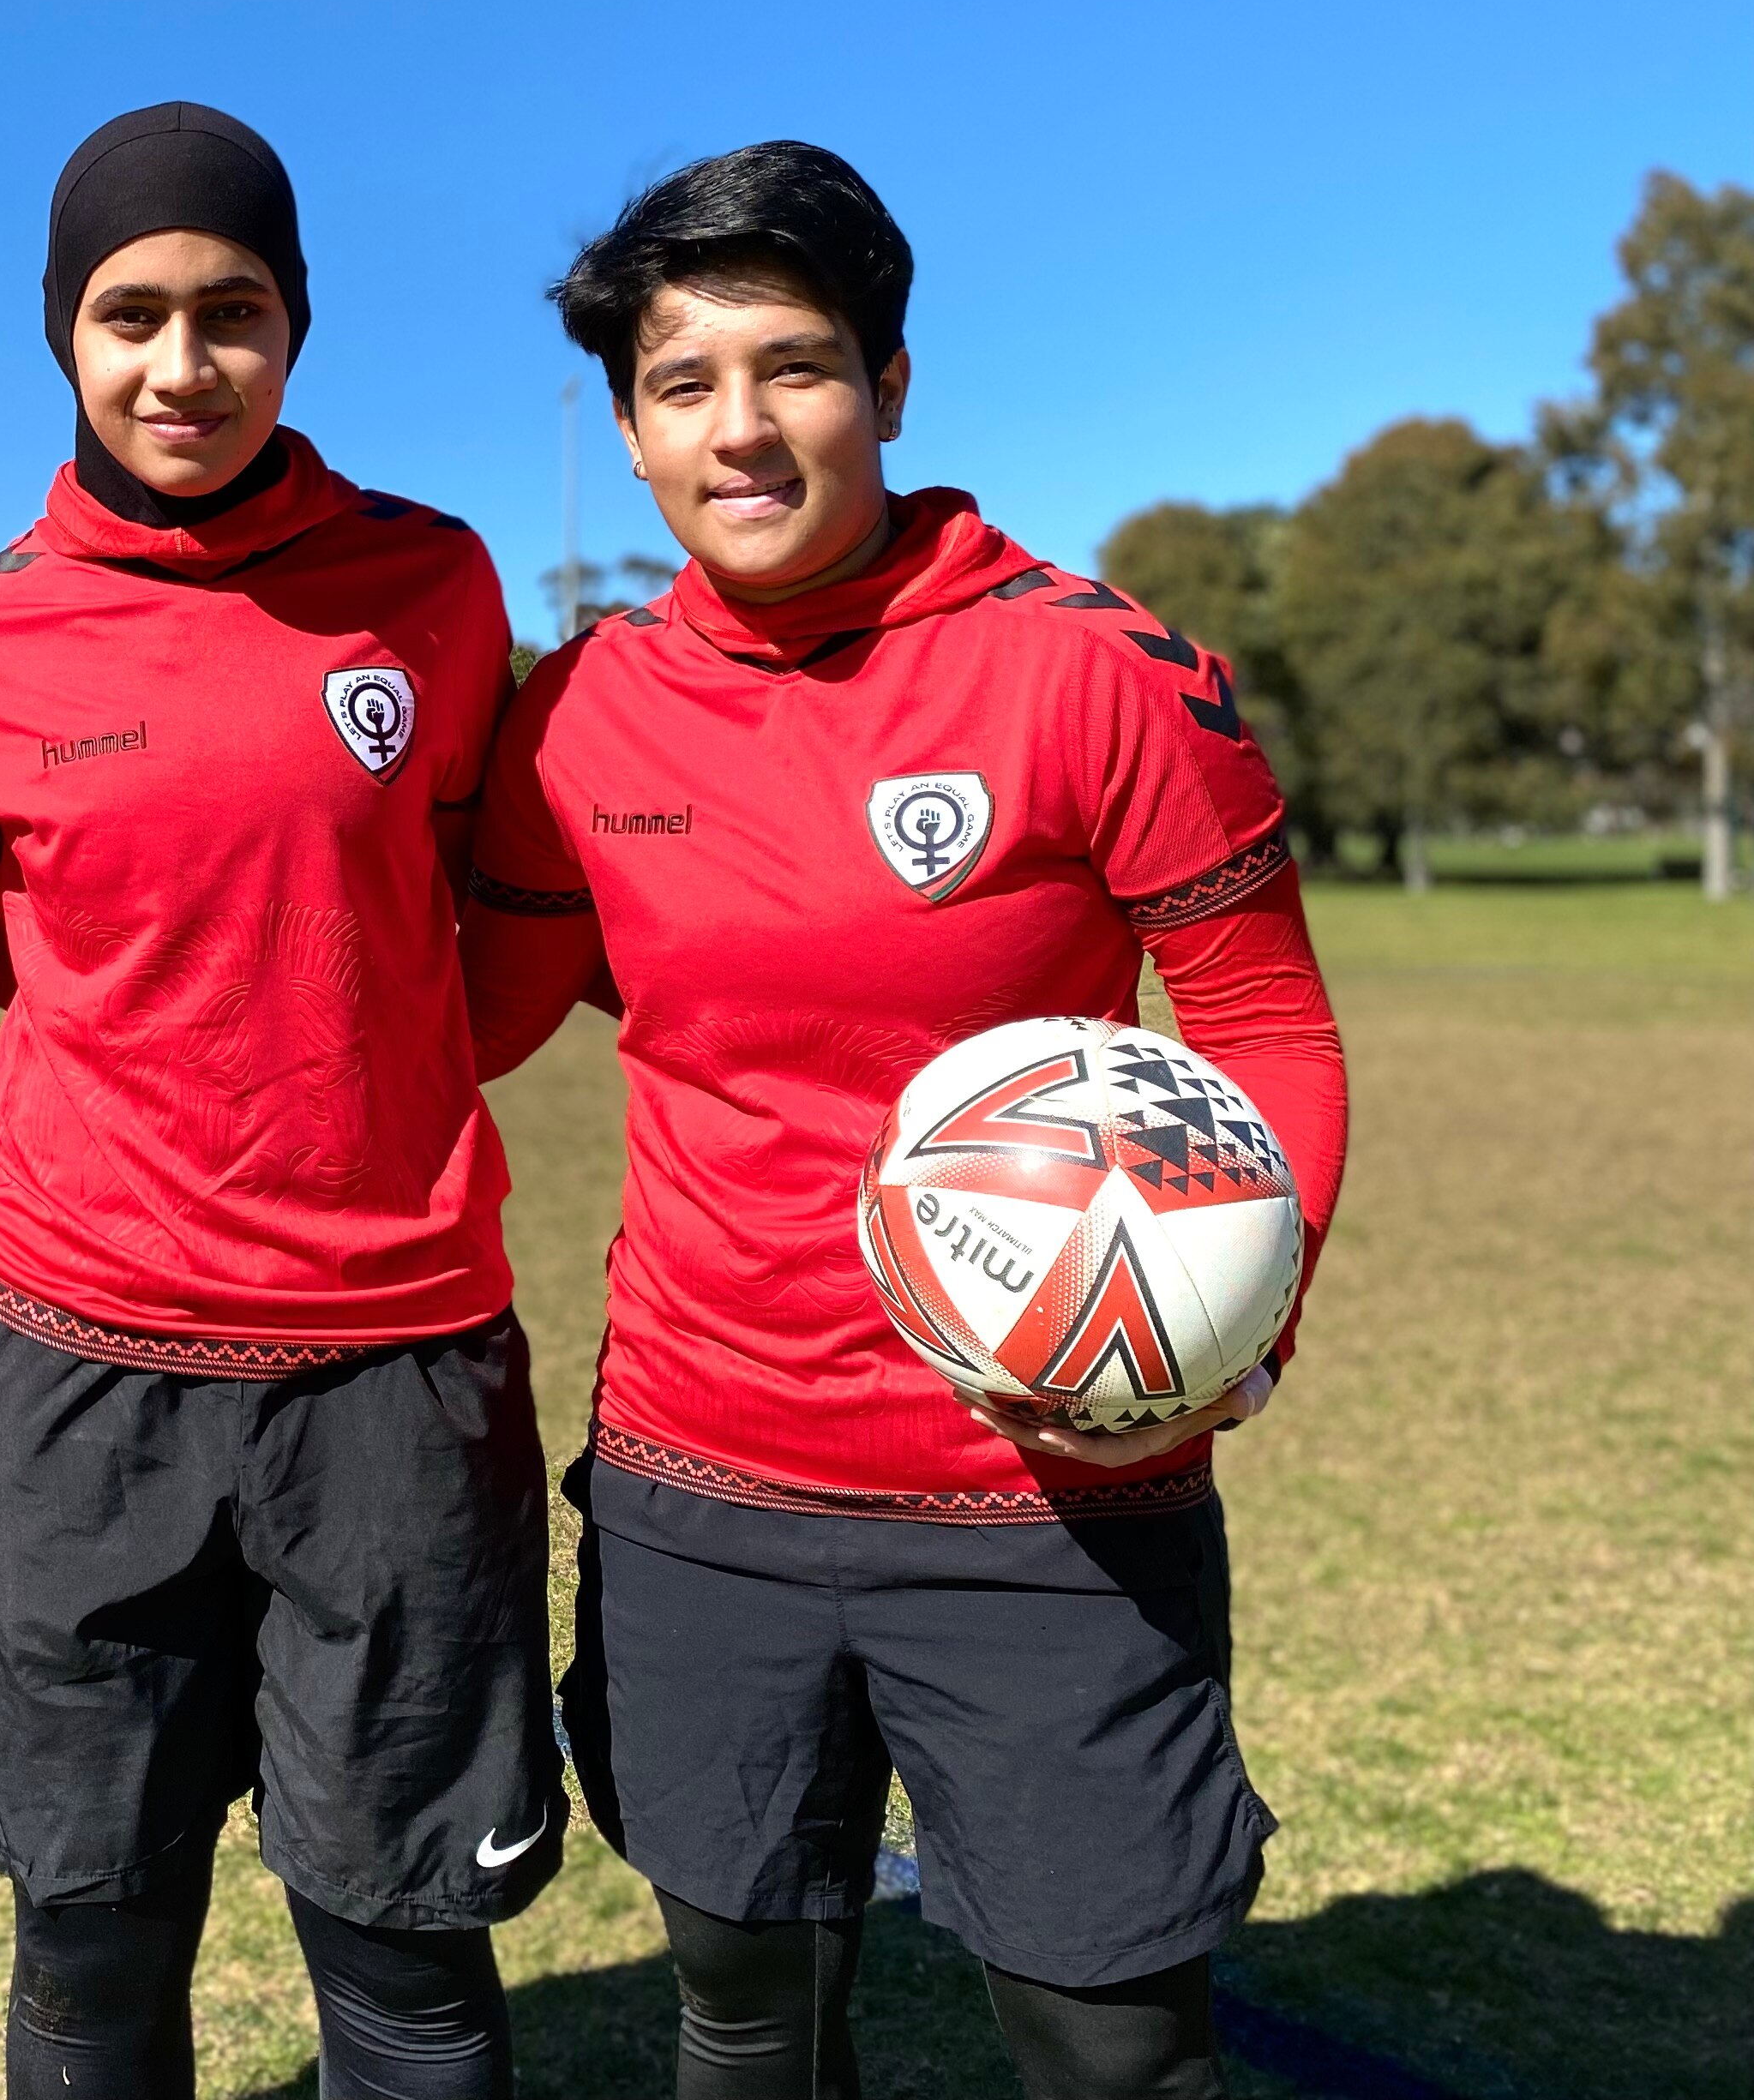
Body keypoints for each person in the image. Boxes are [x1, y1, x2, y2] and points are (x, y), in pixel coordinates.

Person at [462, 142, 1352, 2100]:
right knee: (746, 2015)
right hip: (704, 1494)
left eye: (796, 368)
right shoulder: (577, 716)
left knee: (1110, 2044)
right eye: (683, 387)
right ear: (626, 435)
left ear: (891, 384)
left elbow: (1266, 1029)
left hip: (1054, 1504)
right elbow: (478, 1020)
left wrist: (1234, 1348)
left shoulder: (1100, 672)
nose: (744, 429)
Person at [0, 104, 562, 2100]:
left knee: (406, 1963)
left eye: (234, 312)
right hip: (75, 1375)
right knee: (91, 1958)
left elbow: (468, 940)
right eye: (132, 315)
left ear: (300, 324)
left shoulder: (430, 584)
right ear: (64, 340)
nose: (185, 366)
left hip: (396, 1373)